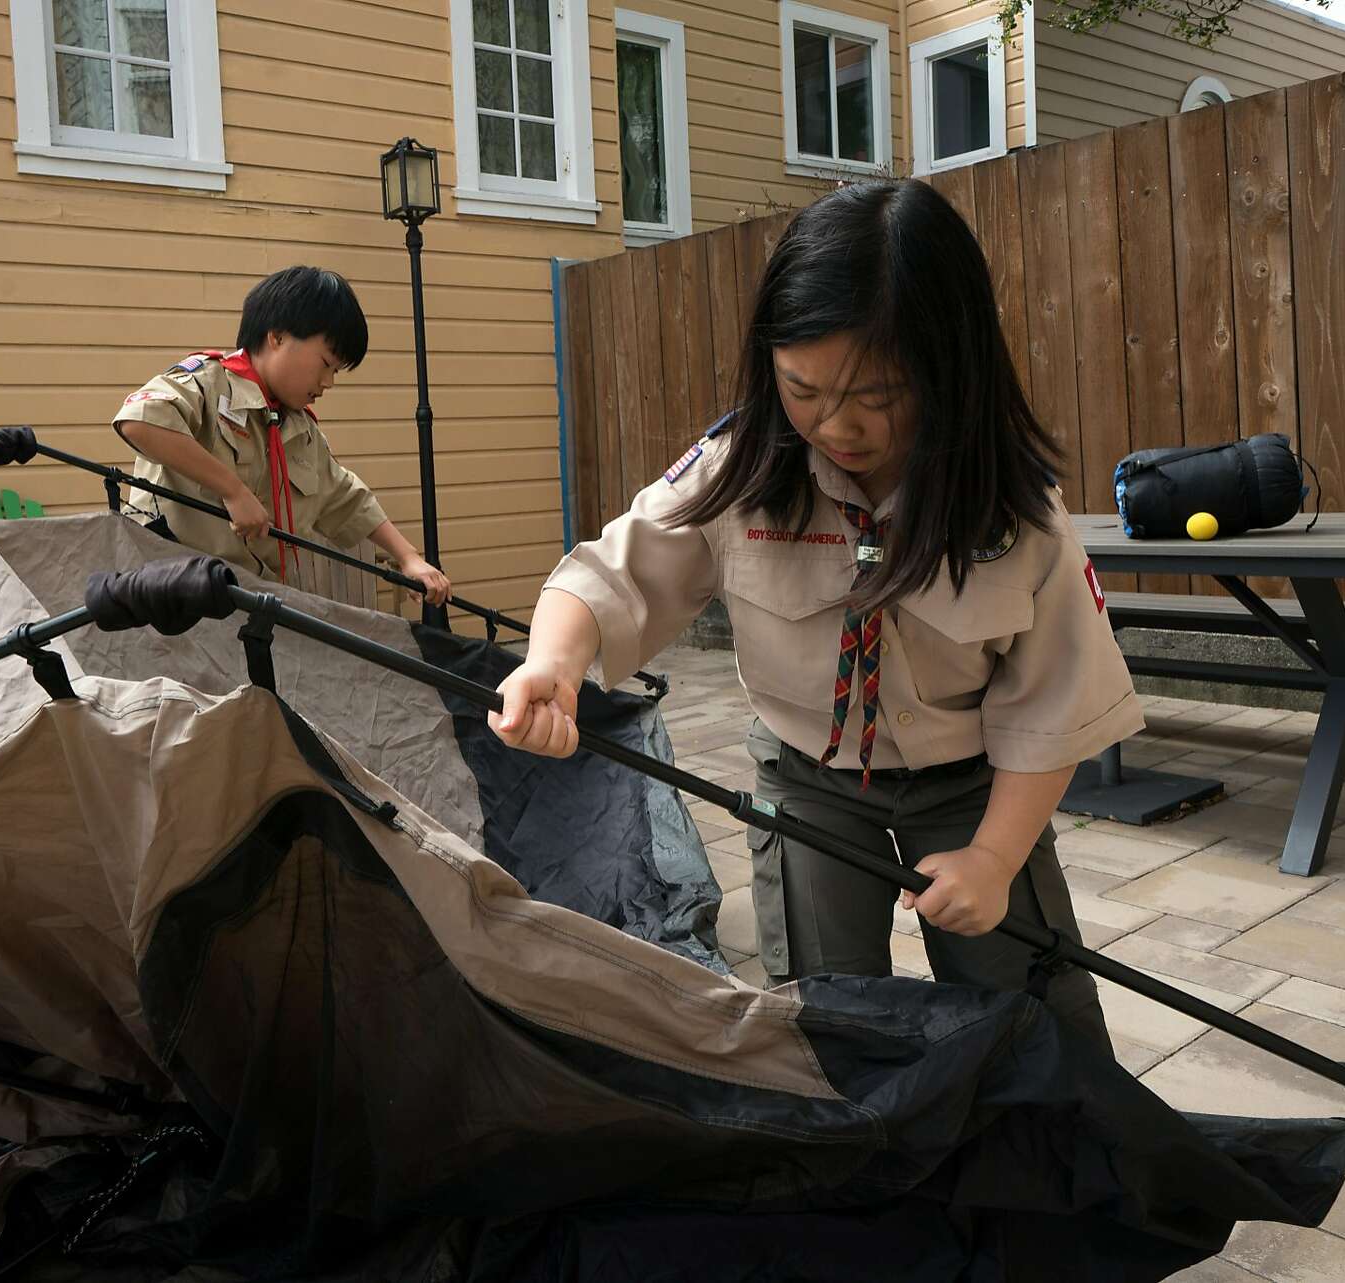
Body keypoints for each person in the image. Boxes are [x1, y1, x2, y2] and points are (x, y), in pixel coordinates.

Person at [487, 180, 1143, 1051]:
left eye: (878, 393)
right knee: (827, 1014)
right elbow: (614, 573)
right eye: (802, 388)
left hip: (975, 783)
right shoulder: (743, 468)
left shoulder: (1010, 509)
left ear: (951, 368)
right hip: (810, 776)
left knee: (1024, 1006)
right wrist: (553, 663)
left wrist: (993, 857)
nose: (837, 425)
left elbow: (1054, 705)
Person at [113, 266, 452, 607]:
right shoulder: (207, 384)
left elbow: (348, 498)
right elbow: (140, 422)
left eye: (335, 372)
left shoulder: (300, 430)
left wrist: (409, 558)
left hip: (245, 609)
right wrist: (232, 490)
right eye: (325, 364)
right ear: (277, 337)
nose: (328, 383)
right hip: (169, 600)